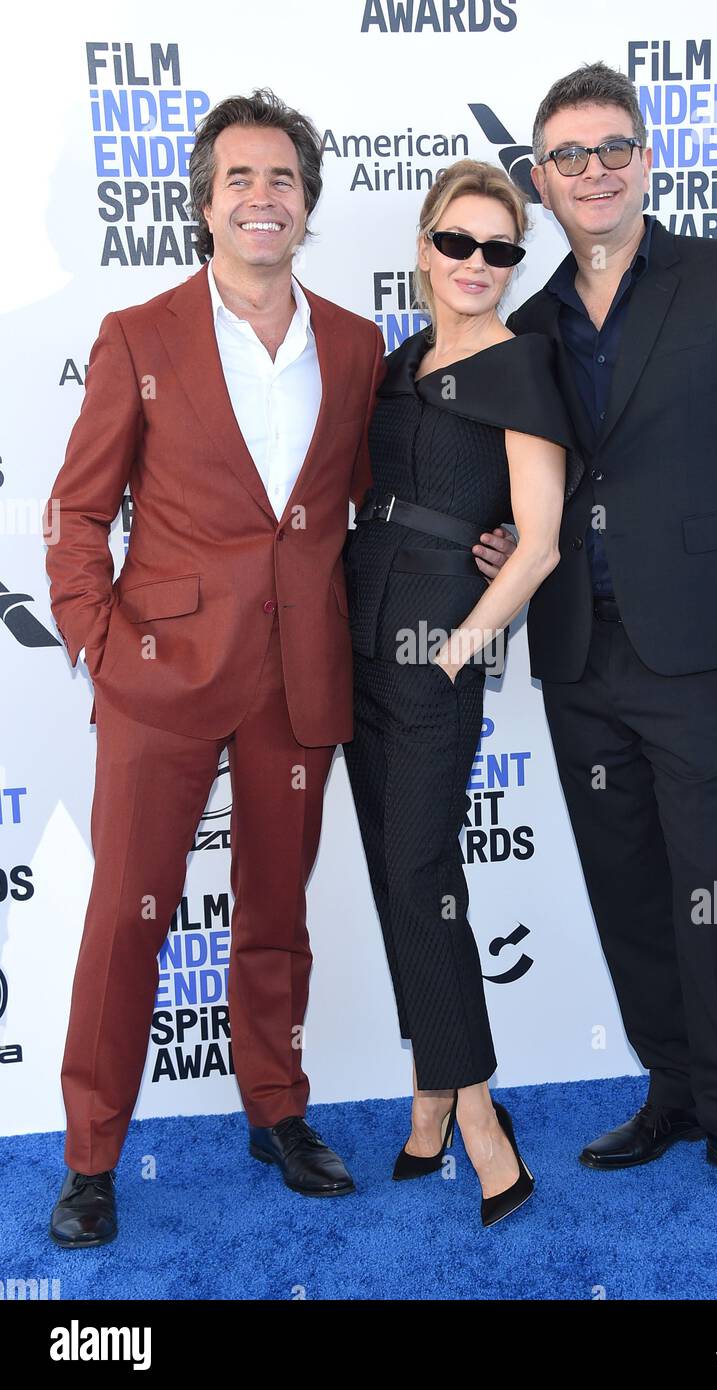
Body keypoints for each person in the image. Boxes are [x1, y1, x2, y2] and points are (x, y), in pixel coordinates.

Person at [41, 91, 514, 1248]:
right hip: (158, 674)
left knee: (274, 913)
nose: (263, 197)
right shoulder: (137, 334)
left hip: (298, 672)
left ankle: (276, 1111)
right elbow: (76, 510)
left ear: (308, 205)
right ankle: (94, 1154)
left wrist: (479, 540)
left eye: (283, 180)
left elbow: (382, 494)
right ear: (204, 203)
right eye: (240, 178)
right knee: (123, 920)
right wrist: (99, 641)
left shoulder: (354, 346)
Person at [506, 62, 717, 1217]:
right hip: (579, 651)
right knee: (628, 891)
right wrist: (504, 548)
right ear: (541, 182)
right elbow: (535, 486)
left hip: (700, 653)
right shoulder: (531, 320)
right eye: (566, 157)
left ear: (645, 159)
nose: (591, 170)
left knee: (712, 894)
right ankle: (673, 1090)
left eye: (610, 147)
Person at [343, 159, 579, 1226]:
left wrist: (457, 651)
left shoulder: (523, 367)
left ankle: (477, 1109)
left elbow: (535, 543)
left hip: (436, 645)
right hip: (354, 633)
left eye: (500, 250)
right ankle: (429, 1090)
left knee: (425, 871)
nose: (476, 265)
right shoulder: (399, 363)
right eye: (458, 242)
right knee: (396, 877)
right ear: (425, 246)